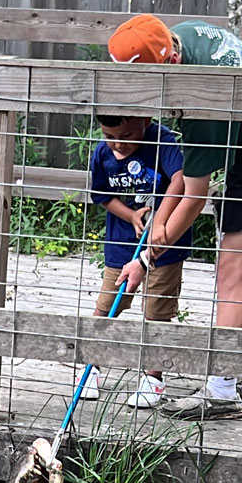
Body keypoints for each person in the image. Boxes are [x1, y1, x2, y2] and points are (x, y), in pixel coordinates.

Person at [108, 14, 242, 421]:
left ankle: (222, 390)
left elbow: (194, 196)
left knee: (231, 269)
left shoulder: (203, 99)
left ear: (170, 63)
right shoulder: (185, 35)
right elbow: (181, 186)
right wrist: (159, 224)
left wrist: (149, 256)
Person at [78, 113, 187, 409]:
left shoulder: (163, 141)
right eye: (109, 136)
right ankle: (90, 367)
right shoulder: (102, 153)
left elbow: (181, 180)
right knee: (107, 305)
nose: (117, 144)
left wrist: (160, 218)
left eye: (126, 136)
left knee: (157, 312)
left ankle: (153, 378)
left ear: (145, 121)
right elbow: (102, 195)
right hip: (121, 244)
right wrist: (131, 215)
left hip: (165, 248)